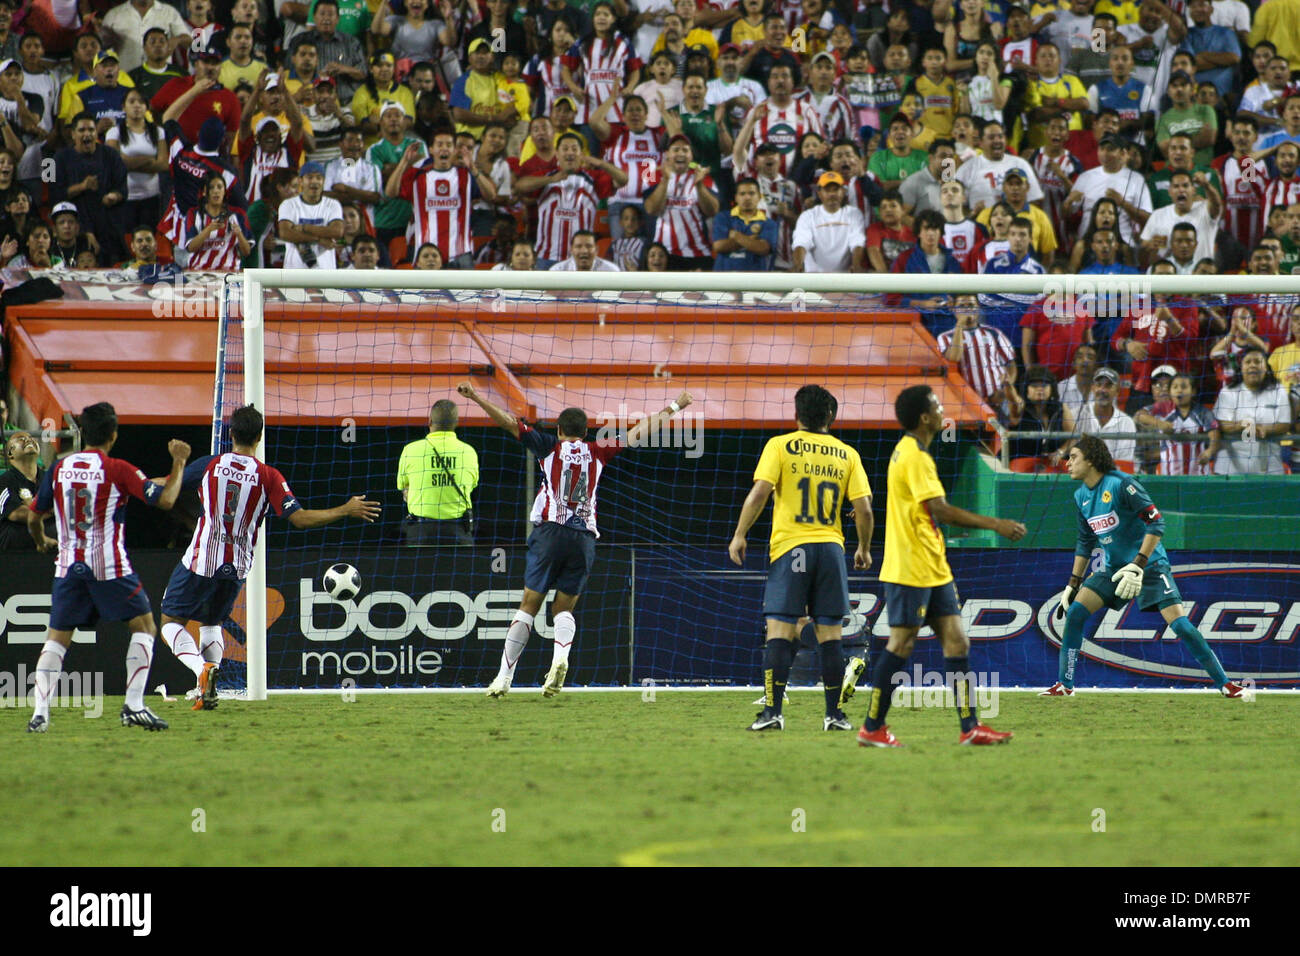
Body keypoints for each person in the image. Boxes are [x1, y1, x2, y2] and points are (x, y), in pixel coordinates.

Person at [458, 380, 693, 697]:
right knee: (563, 609)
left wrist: (475, 396)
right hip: (583, 538)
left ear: (558, 431)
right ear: (585, 433)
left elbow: (510, 423)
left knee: (528, 606)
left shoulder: (547, 447)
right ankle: (561, 659)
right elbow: (640, 432)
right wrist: (675, 407)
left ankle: (503, 677)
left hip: (549, 533)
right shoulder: (599, 451)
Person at [159, 404, 380, 709]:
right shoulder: (269, 476)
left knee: (170, 621)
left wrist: (137, 484)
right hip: (236, 566)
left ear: (231, 433)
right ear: (260, 437)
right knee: (211, 624)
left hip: (201, 559)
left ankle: (202, 671)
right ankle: (207, 691)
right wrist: (345, 509)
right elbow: (299, 519)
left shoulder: (209, 465)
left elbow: (169, 488)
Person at [856, 384, 1024, 748]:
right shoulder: (914, 456)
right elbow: (940, 510)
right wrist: (996, 524)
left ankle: (970, 727)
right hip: (910, 566)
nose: (941, 408)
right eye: (935, 404)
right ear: (924, 417)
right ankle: (872, 727)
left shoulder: (912, 452)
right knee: (901, 643)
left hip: (932, 566)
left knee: (956, 640)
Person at [24, 403, 191, 733]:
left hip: (69, 565)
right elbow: (167, 500)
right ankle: (133, 705)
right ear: (113, 435)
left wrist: (42, 540)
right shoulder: (117, 469)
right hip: (109, 565)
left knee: (57, 640)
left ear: (83, 433)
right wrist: (180, 461)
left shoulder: (59, 468)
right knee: (144, 626)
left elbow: (33, 517)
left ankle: (40, 714)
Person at [1044, 434, 1245, 697]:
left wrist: (1138, 564)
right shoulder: (1080, 495)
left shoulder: (1123, 484)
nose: (1066, 462)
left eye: (1073, 457)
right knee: (1075, 614)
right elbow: (1085, 541)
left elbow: (1156, 523)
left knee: (1181, 626)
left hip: (1150, 567)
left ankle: (1227, 685)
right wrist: (1073, 583)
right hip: (1113, 569)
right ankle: (1065, 686)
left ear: (1091, 460)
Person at [727, 385, 873, 732]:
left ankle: (773, 712)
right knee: (830, 635)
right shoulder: (847, 454)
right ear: (831, 418)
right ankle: (834, 716)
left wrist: (740, 533)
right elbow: (864, 509)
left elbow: (759, 493)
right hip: (831, 549)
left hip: (791, 547)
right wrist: (864, 548)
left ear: (797, 414)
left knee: (778, 629)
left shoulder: (779, 445)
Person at [397, 399, 479, 547]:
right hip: (458, 532)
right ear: (456, 423)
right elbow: (471, 485)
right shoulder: (468, 452)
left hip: (420, 533)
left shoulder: (411, 450)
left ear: (430, 421)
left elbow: (404, 487)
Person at [1212, 348, 1293, 475]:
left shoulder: (1278, 391)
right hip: (1231, 468)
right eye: (1248, 362)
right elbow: (1223, 424)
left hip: (1270, 467)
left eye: (1257, 361)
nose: (1252, 365)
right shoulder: (1228, 392)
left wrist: (1263, 429)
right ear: (1241, 368)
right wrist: (1243, 425)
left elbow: (1284, 424)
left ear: (1266, 367)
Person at [1134, 371, 1220, 475]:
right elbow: (1139, 416)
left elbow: (1215, 434)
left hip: (1198, 475)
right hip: (1169, 476)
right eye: (1175, 387)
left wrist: (1209, 452)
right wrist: (1159, 423)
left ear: (1193, 391)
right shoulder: (1163, 408)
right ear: (1170, 392)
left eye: (1184, 387)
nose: (1179, 390)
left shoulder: (1203, 412)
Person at [937, 294, 1016, 406]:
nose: (967, 309)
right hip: (965, 401)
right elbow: (954, 357)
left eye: (971, 305)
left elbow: (1010, 363)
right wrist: (960, 324)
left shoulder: (993, 333)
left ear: (978, 308)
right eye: (961, 306)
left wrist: (1006, 387)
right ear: (954, 310)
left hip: (997, 398)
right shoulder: (945, 337)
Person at [790, 170, 864, 272]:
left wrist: (856, 266)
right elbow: (801, 243)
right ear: (819, 193)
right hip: (814, 279)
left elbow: (857, 242)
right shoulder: (807, 216)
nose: (832, 194)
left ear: (843, 191)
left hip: (845, 279)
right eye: (827, 190)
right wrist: (798, 265)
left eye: (835, 189)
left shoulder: (854, 214)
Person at [278, 160, 344, 268]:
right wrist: (318, 239)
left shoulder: (333, 204)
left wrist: (304, 227)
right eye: (309, 177)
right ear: (301, 181)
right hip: (294, 274)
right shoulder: (288, 204)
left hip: (325, 273)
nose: (314, 181)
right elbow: (285, 233)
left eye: (319, 178)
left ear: (323, 181)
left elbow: (337, 231)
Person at [1005, 366, 1069, 471]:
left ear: (1051, 388)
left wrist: (1061, 451)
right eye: (1034, 386)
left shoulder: (1061, 408)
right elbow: (1013, 399)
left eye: (1044, 385)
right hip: (1018, 469)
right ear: (1026, 390)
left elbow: (1074, 436)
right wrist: (1008, 386)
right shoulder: (1021, 407)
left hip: (1052, 468)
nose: (1040, 389)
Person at [1073, 366, 1137, 467]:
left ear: (1117, 391)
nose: (1103, 390)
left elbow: (1123, 462)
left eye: (1108, 385)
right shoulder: (1077, 415)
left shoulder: (1127, 422)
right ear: (1093, 388)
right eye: (1099, 385)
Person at [712, 175, 777, 270]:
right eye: (742, 194)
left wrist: (736, 236)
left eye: (751, 193)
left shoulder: (769, 223)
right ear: (736, 198)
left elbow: (763, 249)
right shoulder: (723, 217)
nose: (747, 198)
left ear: (759, 196)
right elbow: (718, 246)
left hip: (754, 280)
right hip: (723, 278)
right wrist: (751, 240)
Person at [0, 430, 49, 550]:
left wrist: (32, 507)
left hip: (49, 548)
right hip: (16, 553)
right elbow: (17, 514)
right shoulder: (5, 481)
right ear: (10, 453)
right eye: (21, 439)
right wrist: (52, 510)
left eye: (31, 437)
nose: (29, 440)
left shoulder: (50, 478)